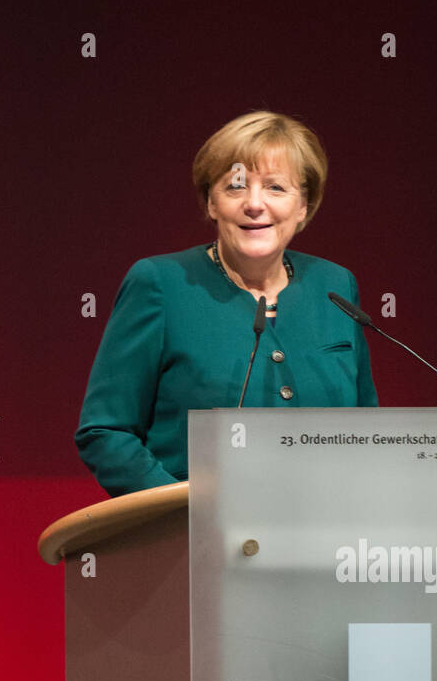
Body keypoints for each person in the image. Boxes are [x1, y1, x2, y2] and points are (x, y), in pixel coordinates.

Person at [74, 110, 378, 497]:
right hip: (192, 542)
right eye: (235, 187)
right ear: (211, 202)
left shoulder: (335, 285)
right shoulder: (160, 284)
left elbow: (367, 430)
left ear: (304, 206)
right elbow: (105, 430)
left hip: (324, 542)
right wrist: (181, 513)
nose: (254, 204)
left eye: (275, 188)